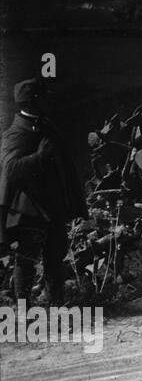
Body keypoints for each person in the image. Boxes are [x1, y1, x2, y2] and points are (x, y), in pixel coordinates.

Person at [0, 79, 86, 306]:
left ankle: (56, 303)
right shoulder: (16, 133)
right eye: (43, 97)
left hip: (52, 207)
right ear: (32, 101)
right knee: (26, 258)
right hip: (30, 209)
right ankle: (22, 308)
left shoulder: (44, 125)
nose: (49, 100)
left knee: (55, 255)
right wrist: (39, 157)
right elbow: (10, 168)